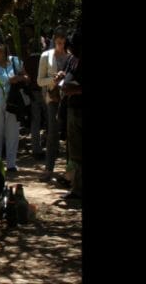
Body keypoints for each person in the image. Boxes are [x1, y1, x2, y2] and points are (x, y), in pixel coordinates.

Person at [0, 41, 28, 173]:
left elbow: (27, 77)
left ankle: (11, 164)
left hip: (13, 103)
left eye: (1, 49)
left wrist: (18, 79)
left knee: (13, 132)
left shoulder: (14, 61)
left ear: (5, 49)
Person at [37, 27, 71, 182]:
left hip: (69, 99)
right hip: (53, 99)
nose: (60, 46)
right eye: (58, 42)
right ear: (54, 40)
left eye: (63, 43)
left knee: (70, 135)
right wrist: (53, 80)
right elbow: (39, 81)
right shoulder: (46, 56)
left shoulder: (70, 56)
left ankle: (70, 172)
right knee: (52, 134)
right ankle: (48, 170)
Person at [60, 28, 82, 200]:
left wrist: (75, 90)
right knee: (74, 151)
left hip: (79, 108)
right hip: (72, 109)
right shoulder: (73, 60)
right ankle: (76, 187)